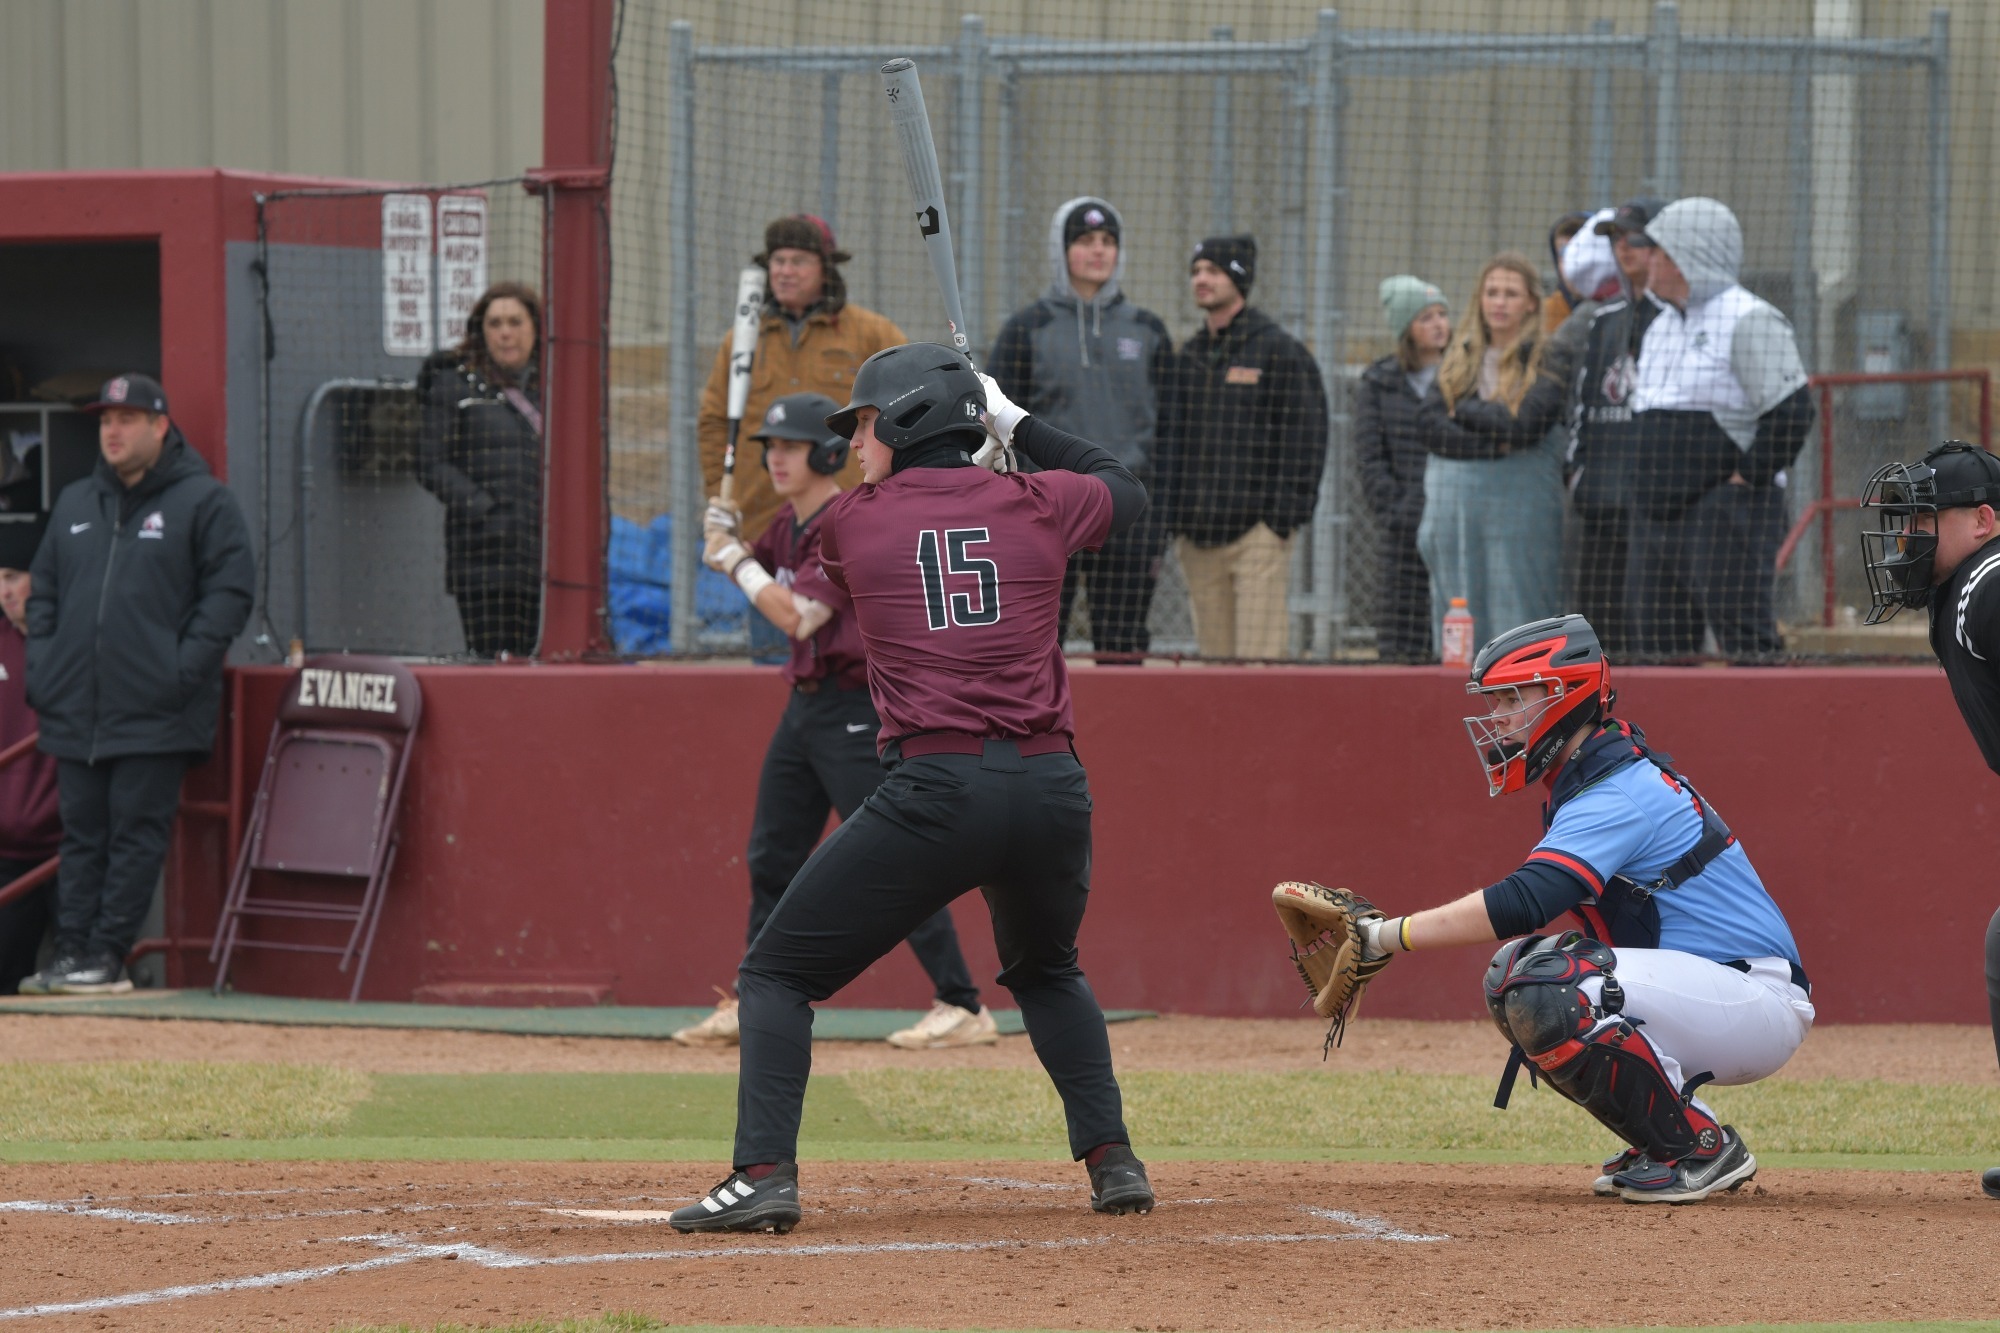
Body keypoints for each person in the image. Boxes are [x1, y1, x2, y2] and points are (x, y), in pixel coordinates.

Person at [670, 345, 1153, 1234]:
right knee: (1049, 969)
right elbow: (1121, 484)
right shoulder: (1041, 498)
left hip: (939, 787)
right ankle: (1112, 1158)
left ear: (906, 424)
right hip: (1051, 785)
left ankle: (763, 1174)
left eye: (863, 426)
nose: (855, 444)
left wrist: (987, 459)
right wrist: (1017, 431)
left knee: (774, 973)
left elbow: (879, 550)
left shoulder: (849, 523)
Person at [1345, 613, 1812, 1202]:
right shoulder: (1595, 778)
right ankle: (1663, 1138)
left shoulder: (1616, 789)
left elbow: (1526, 900)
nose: (1496, 717)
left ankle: (1699, 1149)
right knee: (1512, 978)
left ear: (1567, 698)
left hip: (1750, 999)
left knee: (1545, 982)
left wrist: (1383, 936)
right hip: (1717, 992)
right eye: (1495, 701)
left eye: (1513, 698)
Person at [679, 392, 995, 1052]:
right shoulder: (789, 524)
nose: (777, 459)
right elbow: (760, 569)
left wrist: (731, 559)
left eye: (790, 447)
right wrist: (727, 531)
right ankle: (750, 997)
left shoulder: (846, 519)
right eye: (771, 448)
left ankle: (962, 1002)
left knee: (897, 857)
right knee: (772, 854)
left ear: (827, 454)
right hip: (806, 706)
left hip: (857, 709)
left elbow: (798, 616)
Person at [19, 375, 255, 995]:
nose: (112, 432)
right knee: (81, 836)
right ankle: (73, 953)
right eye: (104, 421)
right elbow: (41, 595)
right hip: (77, 709)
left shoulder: (205, 502)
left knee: (134, 835)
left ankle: (107, 954)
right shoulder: (74, 503)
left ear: (160, 427)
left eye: (126, 419)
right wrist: (43, 670)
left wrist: (178, 672)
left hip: (156, 711)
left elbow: (229, 596)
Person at [1855, 440, 2000, 1201]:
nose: (1906, 540)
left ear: (1981, 520)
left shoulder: (1991, 579)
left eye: (1921, 522)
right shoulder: (1971, 585)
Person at [697, 215, 905, 660]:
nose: (785, 271)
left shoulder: (871, 334)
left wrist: (894, 494)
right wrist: (723, 494)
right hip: (769, 534)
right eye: (777, 261)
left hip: (851, 530)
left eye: (799, 261)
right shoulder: (743, 341)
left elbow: (907, 413)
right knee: (774, 662)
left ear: (826, 268)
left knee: (852, 659)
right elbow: (715, 421)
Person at [1623, 198, 1814, 659]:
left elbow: (1792, 411)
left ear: (1690, 256)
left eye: (1658, 251)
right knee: (1659, 651)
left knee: (1745, 639)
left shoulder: (1748, 319)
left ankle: (1767, 729)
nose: (1646, 259)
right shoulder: (1659, 325)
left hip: (1726, 513)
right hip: (1656, 518)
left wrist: (1746, 479)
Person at [988, 197, 1173, 658]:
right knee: (1040, 640)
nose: (1098, 251)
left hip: (1128, 509)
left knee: (1124, 641)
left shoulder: (1148, 330)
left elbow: (1173, 428)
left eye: (1108, 241)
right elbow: (997, 415)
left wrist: (1162, 513)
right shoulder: (1027, 329)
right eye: (1085, 240)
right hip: (1049, 510)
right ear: (1061, 250)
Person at [1154, 235, 1329, 660]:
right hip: (1198, 540)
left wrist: (1280, 521)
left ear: (1239, 278)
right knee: (1215, 667)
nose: (1201, 279)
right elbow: (1171, 440)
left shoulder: (1278, 351)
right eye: (1196, 271)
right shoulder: (1190, 356)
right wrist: (1174, 520)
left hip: (1257, 538)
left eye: (1212, 271)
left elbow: (1306, 436)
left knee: (1259, 667)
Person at [1415, 253, 1572, 654]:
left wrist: (1463, 410)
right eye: (1492, 292)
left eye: (1511, 294)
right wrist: (1493, 441)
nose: (1499, 302)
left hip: (1521, 508)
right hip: (1458, 512)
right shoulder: (1457, 357)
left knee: (1521, 606)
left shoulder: (1549, 357)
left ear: (1531, 304)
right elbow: (1432, 427)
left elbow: (1524, 428)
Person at [416, 281, 544, 658]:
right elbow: (428, 463)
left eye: (515, 322)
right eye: (495, 323)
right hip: (482, 558)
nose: (505, 332)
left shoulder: (558, 386)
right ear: (480, 331)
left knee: (542, 666)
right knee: (491, 662)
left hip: (543, 562)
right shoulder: (453, 385)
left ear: (536, 329)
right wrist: (483, 509)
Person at [1565, 199, 1668, 658]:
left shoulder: (1678, 318)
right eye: (1616, 238)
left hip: (1654, 510)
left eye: (1635, 237)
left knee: (1651, 636)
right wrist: (1579, 477)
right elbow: (1583, 409)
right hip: (1600, 507)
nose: (1624, 247)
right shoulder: (1602, 322)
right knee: (1596, 636)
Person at [1354, 276, 1450, 663]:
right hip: (1404, 529)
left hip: (1452, 524)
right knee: (1400, 631)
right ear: (1405, 327)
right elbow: (1369, 457)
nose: (1439, 323)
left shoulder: (1461, 377)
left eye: (1443, 314)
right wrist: (1397, 510)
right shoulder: (1379, 383)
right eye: (1426, 317)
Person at [0, 479, 59, 995]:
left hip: (69, 846)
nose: (6, 590)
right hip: (6, 849)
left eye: (15, 575)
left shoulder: (73, 642)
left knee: (77, 979)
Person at [1541, 211, 1594, 336]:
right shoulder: (1547, 312)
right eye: (1563, 254)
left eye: (1579, 252)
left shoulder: (1621, 309)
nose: (1571, 263)